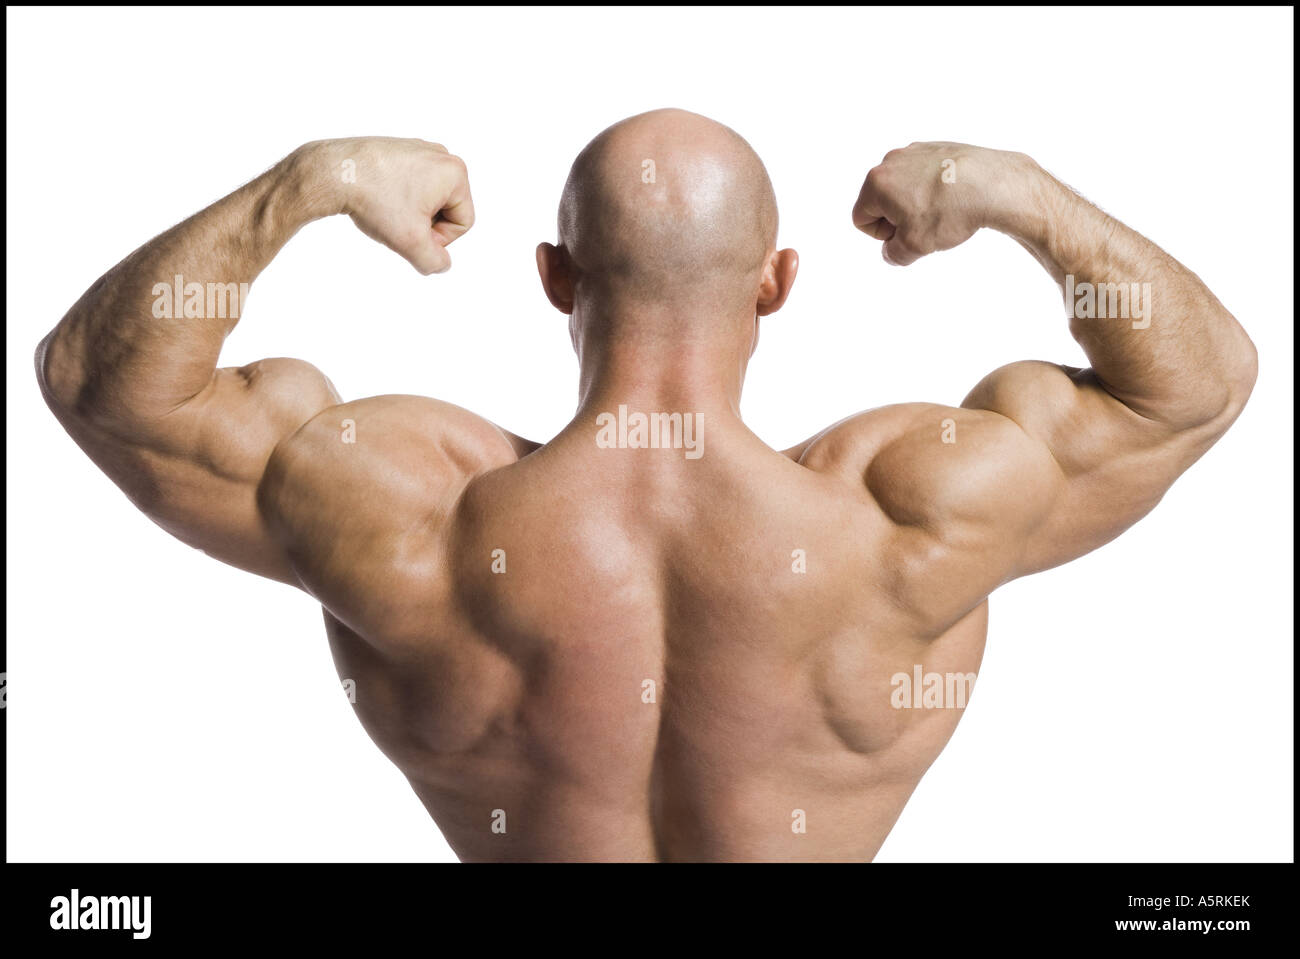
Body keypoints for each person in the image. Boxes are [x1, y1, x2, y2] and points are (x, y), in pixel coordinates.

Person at [36, 109, 1257, 861]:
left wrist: (309, 181)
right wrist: (1021, 197)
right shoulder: (909, 511)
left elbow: (102, 384)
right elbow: (1193, 386)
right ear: (777, 281)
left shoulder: (406, 512)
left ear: (556, 276)